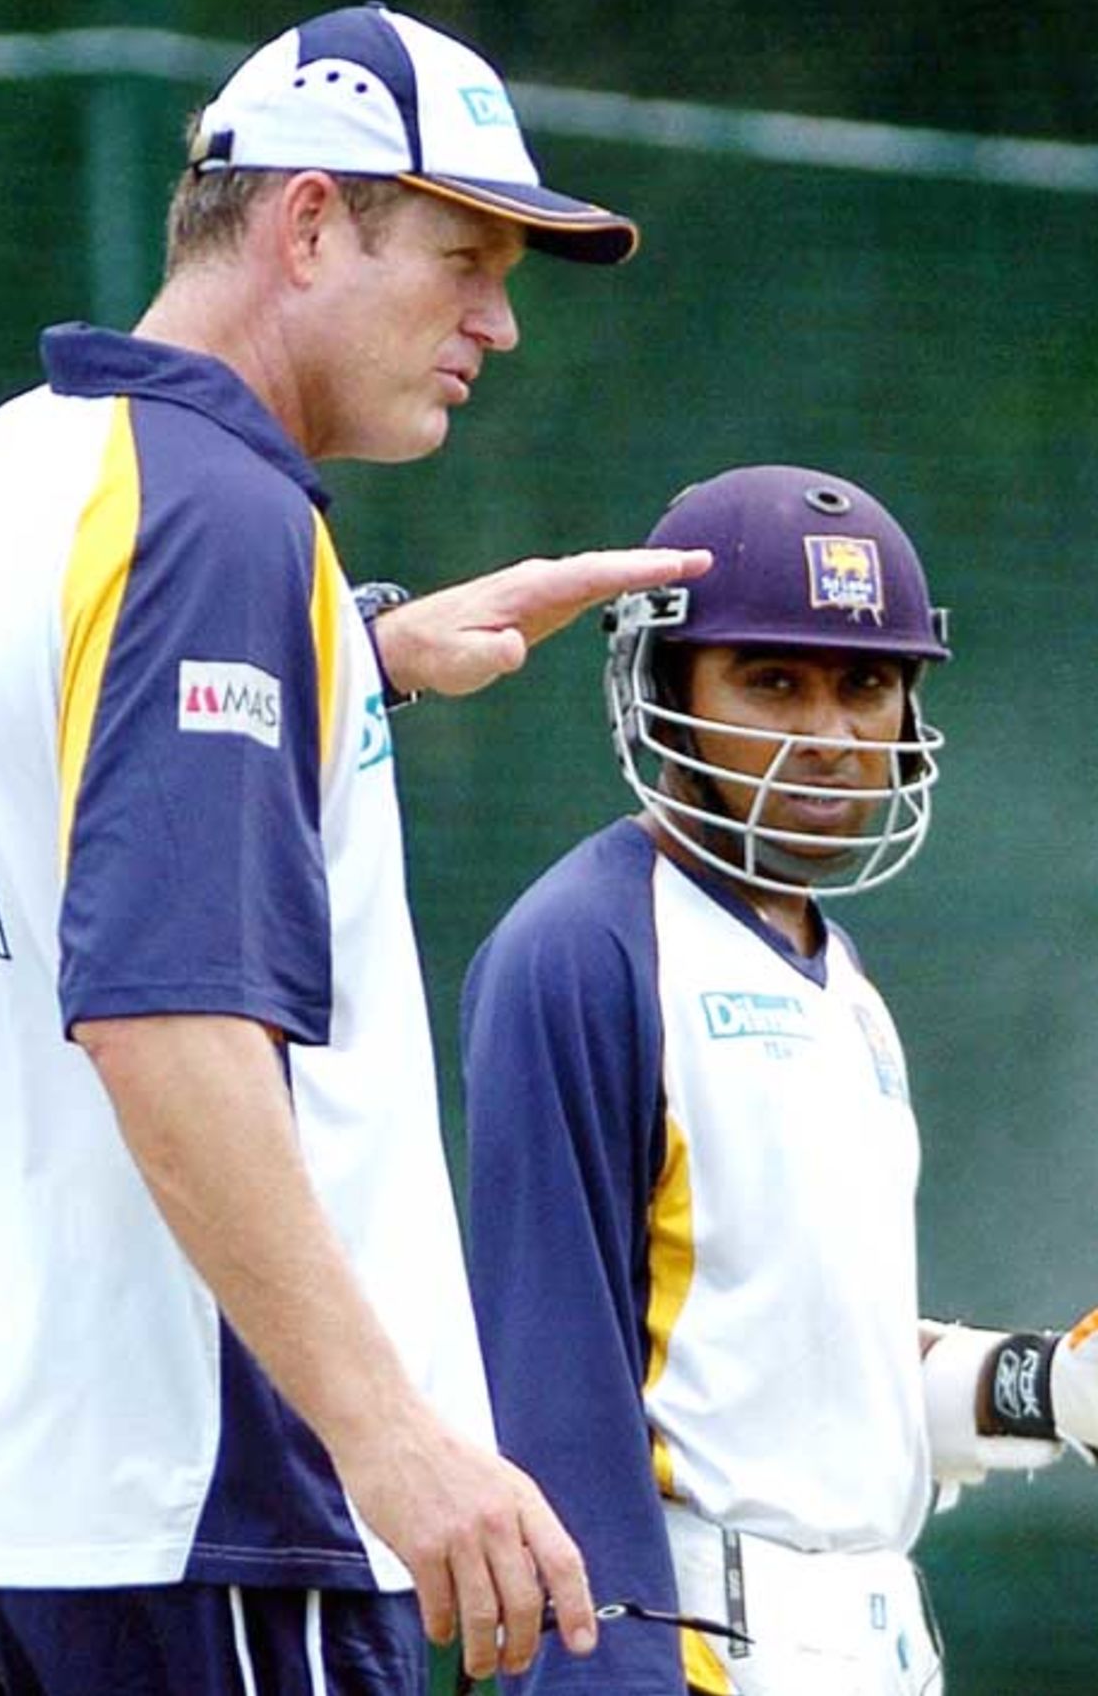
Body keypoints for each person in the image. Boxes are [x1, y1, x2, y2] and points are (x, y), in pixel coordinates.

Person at [0, 6, 710, 1695]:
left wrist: (358, 658)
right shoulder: (218, 517)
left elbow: (54, 820)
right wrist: (396, 1440)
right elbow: (162, 1023)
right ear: (311, 222)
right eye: (465, 257)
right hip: (216, 1512)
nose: (496, 321)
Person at [462, 463, 1098, 1695]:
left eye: (866, 684)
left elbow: (802, 1366)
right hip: (694, 1648)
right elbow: (552, 1383)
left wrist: (1050, 1384)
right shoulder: (586, 948)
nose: (830, 733)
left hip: (875, 1646)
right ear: (664, 685)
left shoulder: (843, 982)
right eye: (773, 679)